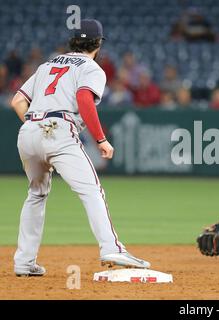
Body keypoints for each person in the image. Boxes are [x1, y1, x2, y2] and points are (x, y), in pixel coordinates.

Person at [9, 19, 150, 277]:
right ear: (98, 44)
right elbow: (84, 98)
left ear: (73, 41)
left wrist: (36, 127)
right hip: (59, 131)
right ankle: (111, 247)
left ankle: (24, 262)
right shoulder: (92, 68)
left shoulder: (47, 64)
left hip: (29, 130)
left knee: (36, 194)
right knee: (91, 190)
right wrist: (100, 139)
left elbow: (17, 100)